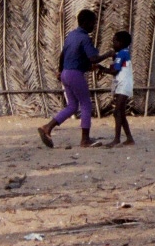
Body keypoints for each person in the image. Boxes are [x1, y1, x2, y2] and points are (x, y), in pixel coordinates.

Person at [38, 9, 109, 149]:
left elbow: (63, 55)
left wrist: (60, 71)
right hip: (75, 74)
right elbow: (93, 58)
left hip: (66, 73)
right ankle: (85, 140)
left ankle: (47, 127)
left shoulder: (71, 35)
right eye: (93, 23)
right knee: (86, 104)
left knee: (72, 106)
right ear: (86, 22)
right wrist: (109, 54)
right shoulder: (84, 38)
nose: (93, 26)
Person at [106, 31, 135, 147]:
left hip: (124, 84)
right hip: (122, 84)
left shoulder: (122, 54)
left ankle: (117, 139)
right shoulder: (123, 53)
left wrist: (100, 68)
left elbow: (114, 71)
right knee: (120, 112)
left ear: (121, 42)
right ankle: (129, 138)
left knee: (117, 111)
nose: (113, 43)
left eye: (115, 41)